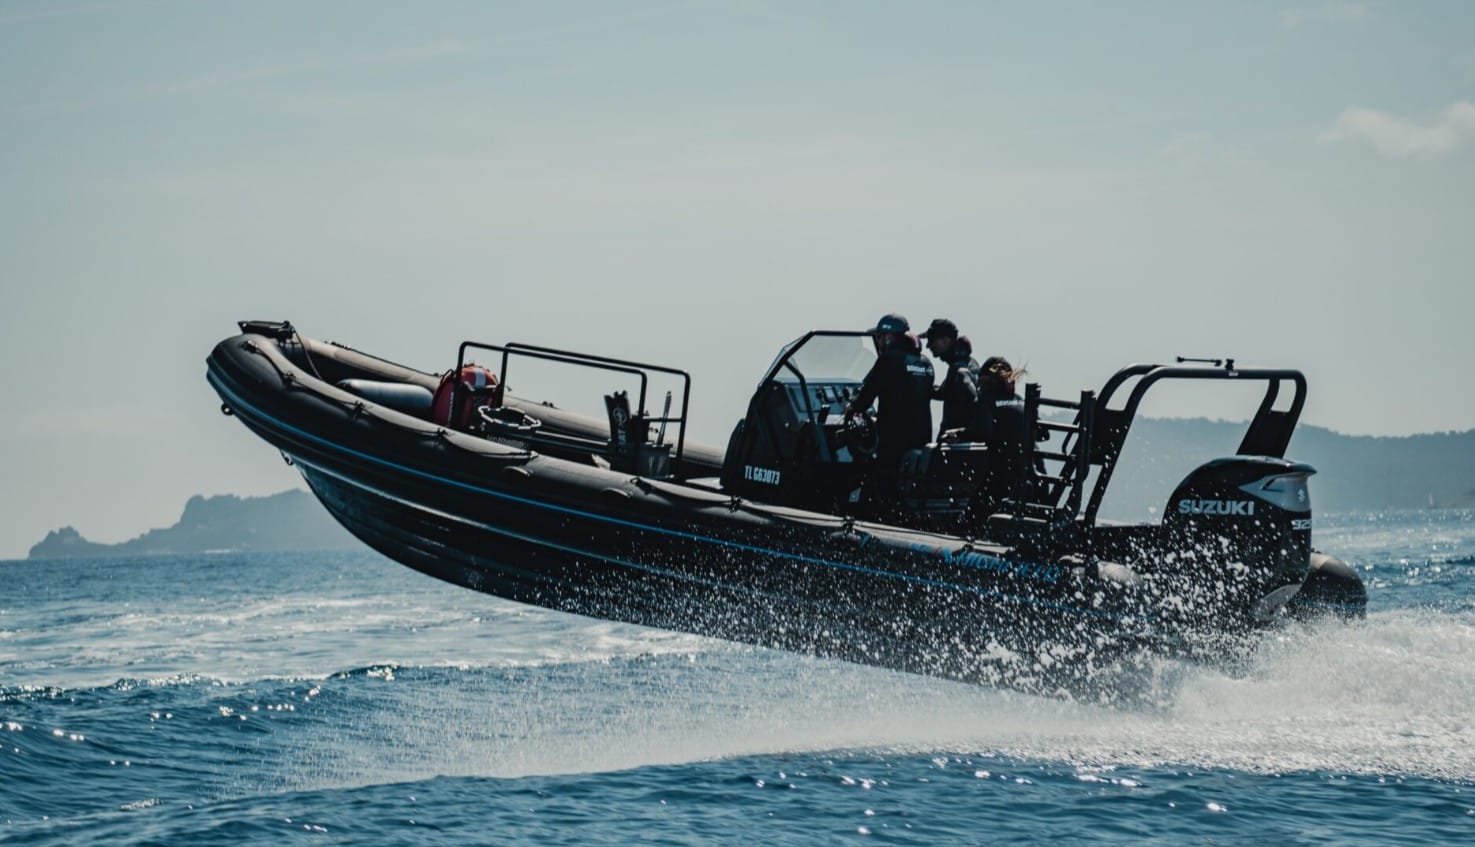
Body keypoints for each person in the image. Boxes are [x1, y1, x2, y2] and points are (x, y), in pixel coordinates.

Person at [843, 313, 935, 504]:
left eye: (879, 337)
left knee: (871, 475)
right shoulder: (925, 363)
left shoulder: (890, 359)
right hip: (920, 439)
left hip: (893, 442)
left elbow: (865, 399)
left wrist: (851, 408)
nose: (878, 343)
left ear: (889, 337)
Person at [972, 356, 1030, 514]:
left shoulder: (986, 401)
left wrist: (960, 433)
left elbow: (982, 433)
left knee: (970, 516)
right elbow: (1043, 435)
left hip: (1002, 480)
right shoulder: (1021, 401)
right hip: (1032, 479)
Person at [919, 319, 979, 441]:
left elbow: (973, 398)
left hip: (955, 442)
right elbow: (945, 392)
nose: (928, 346)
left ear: (946, 341)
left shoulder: (959, 370)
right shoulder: (970, 364)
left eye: (932, 340)